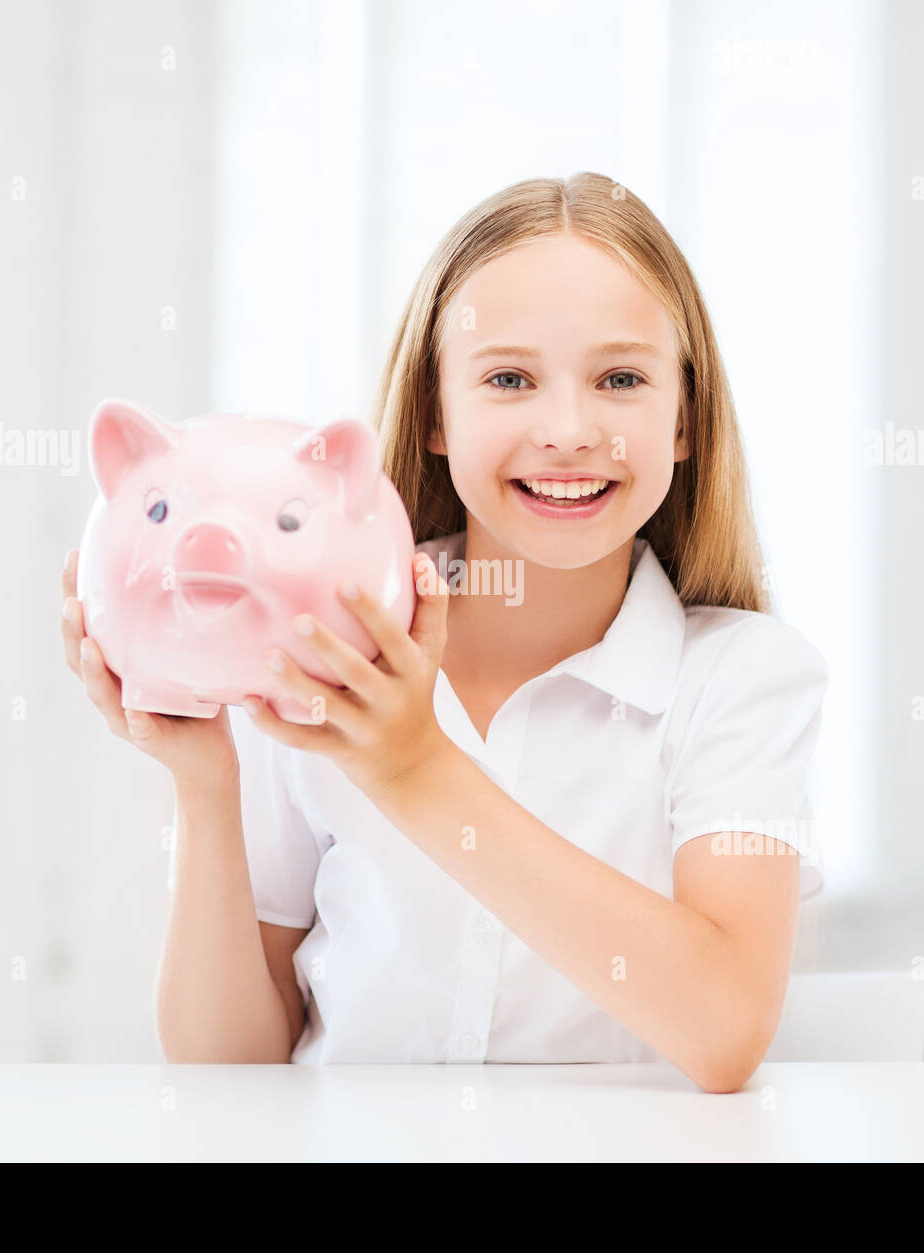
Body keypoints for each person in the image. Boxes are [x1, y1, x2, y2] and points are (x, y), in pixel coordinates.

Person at [60, 172, 829, 1092]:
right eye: (509, 378)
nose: (569, 429)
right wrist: (205, 783)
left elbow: (724, 1025)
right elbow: (227, 1065)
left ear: (683, 420)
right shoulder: (311, 657)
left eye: (621, 378)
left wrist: (413, 766)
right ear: (433, 411)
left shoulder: (744, 679)